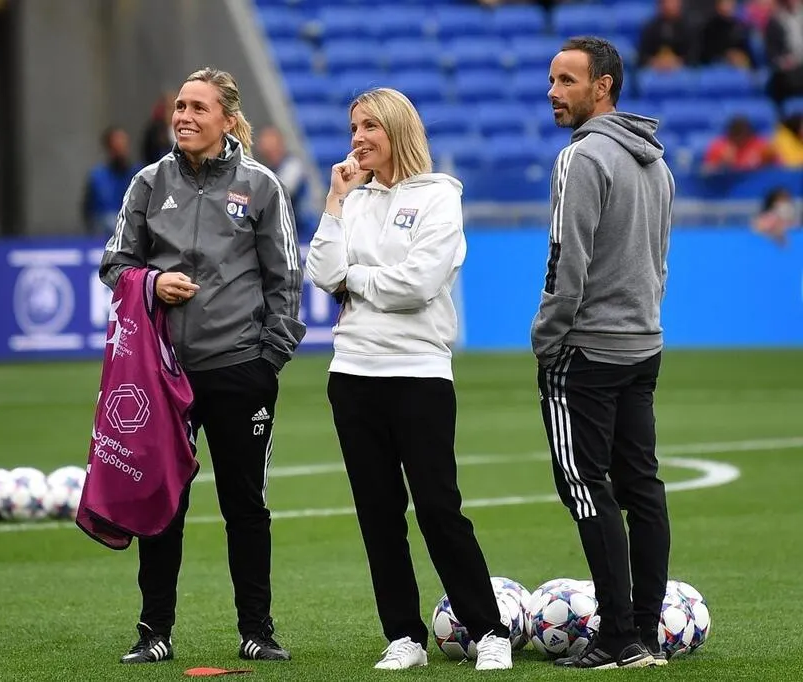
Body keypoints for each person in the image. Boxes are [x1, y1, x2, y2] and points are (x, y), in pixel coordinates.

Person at [99, 67, 304, 665]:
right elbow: (115, 265)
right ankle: (154, 632)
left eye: (197, 108)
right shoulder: (146, 182)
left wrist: (269, 359)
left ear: (226, 118)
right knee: (164, 502)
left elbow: (285, 279)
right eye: (179, 107)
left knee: (245, 504)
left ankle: (258, 632)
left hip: (241, 368)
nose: (183, 116)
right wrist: (154, 282)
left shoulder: (262, 186)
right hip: (163, 374)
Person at [304, 87, 513, 672]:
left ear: (396, 129)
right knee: (377, 513)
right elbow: (322, 273)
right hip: (351, 374)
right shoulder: (353, 198)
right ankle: (404, 636)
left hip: (419, 373)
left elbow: (419, 283)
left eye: (369, 125)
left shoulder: (441, 197)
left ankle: (489, 629)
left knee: (439, 508)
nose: (357, 138)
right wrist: (335, 202)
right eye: (352, 127)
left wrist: (358, 278)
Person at [533, 36, 674, 669]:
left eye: (567, 81)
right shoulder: (657, 161)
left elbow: (568, 258)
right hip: (642, 345)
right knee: (641, 487)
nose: (553, 92)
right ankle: (645, 631)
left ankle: (618, 638)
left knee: (586, 488)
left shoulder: (582, 158)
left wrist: (548, 335)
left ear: (604, 87)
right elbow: (661, 262)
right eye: (552, 80)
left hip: (586, 350)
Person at [82, 126, 141, 236]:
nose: (121, 150)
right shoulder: (97, 177)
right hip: (104, 234)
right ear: (109, 148)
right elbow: (88, 212)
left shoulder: (139, 175)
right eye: (117, 146)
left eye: (124, 145)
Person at [255, 126, 311, 241]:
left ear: (279, 143)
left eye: (269, 140)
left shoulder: (293, 166)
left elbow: (280, 191)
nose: (265, 145)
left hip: (299, 232)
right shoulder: (266, 169)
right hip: (278, 233)